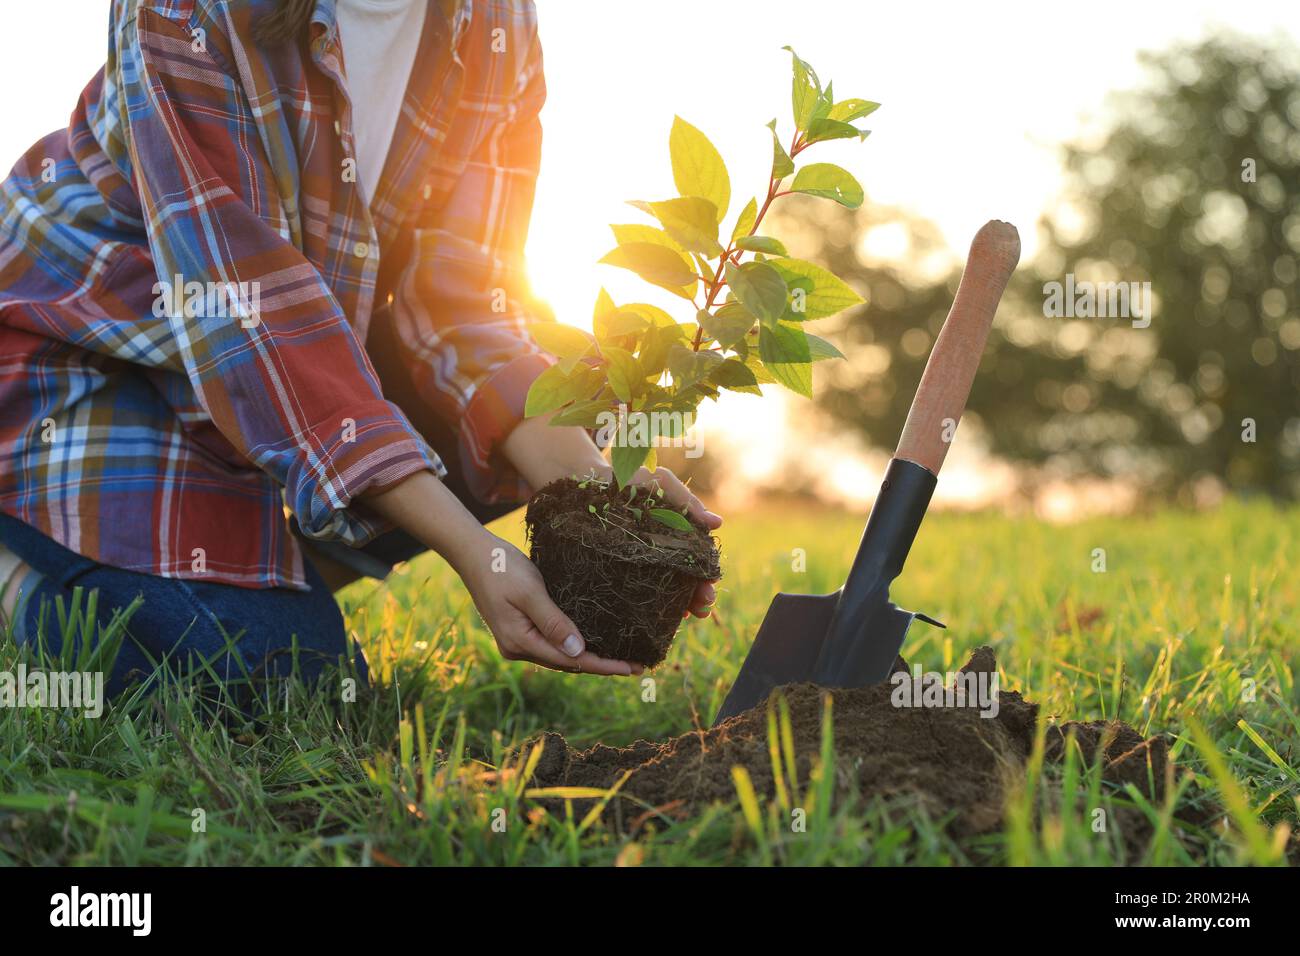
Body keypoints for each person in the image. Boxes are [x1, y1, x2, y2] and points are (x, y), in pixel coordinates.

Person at [0, 0, 720, 695]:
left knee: (522, 395)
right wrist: (470, 551)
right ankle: (22, 568)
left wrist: (596, 487)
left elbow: (464, 303)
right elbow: (253, 319)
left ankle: (260, 567)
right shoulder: (188, 9)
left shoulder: (496, 18)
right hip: (91, 356)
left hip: (280, 367)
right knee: (279, 684)